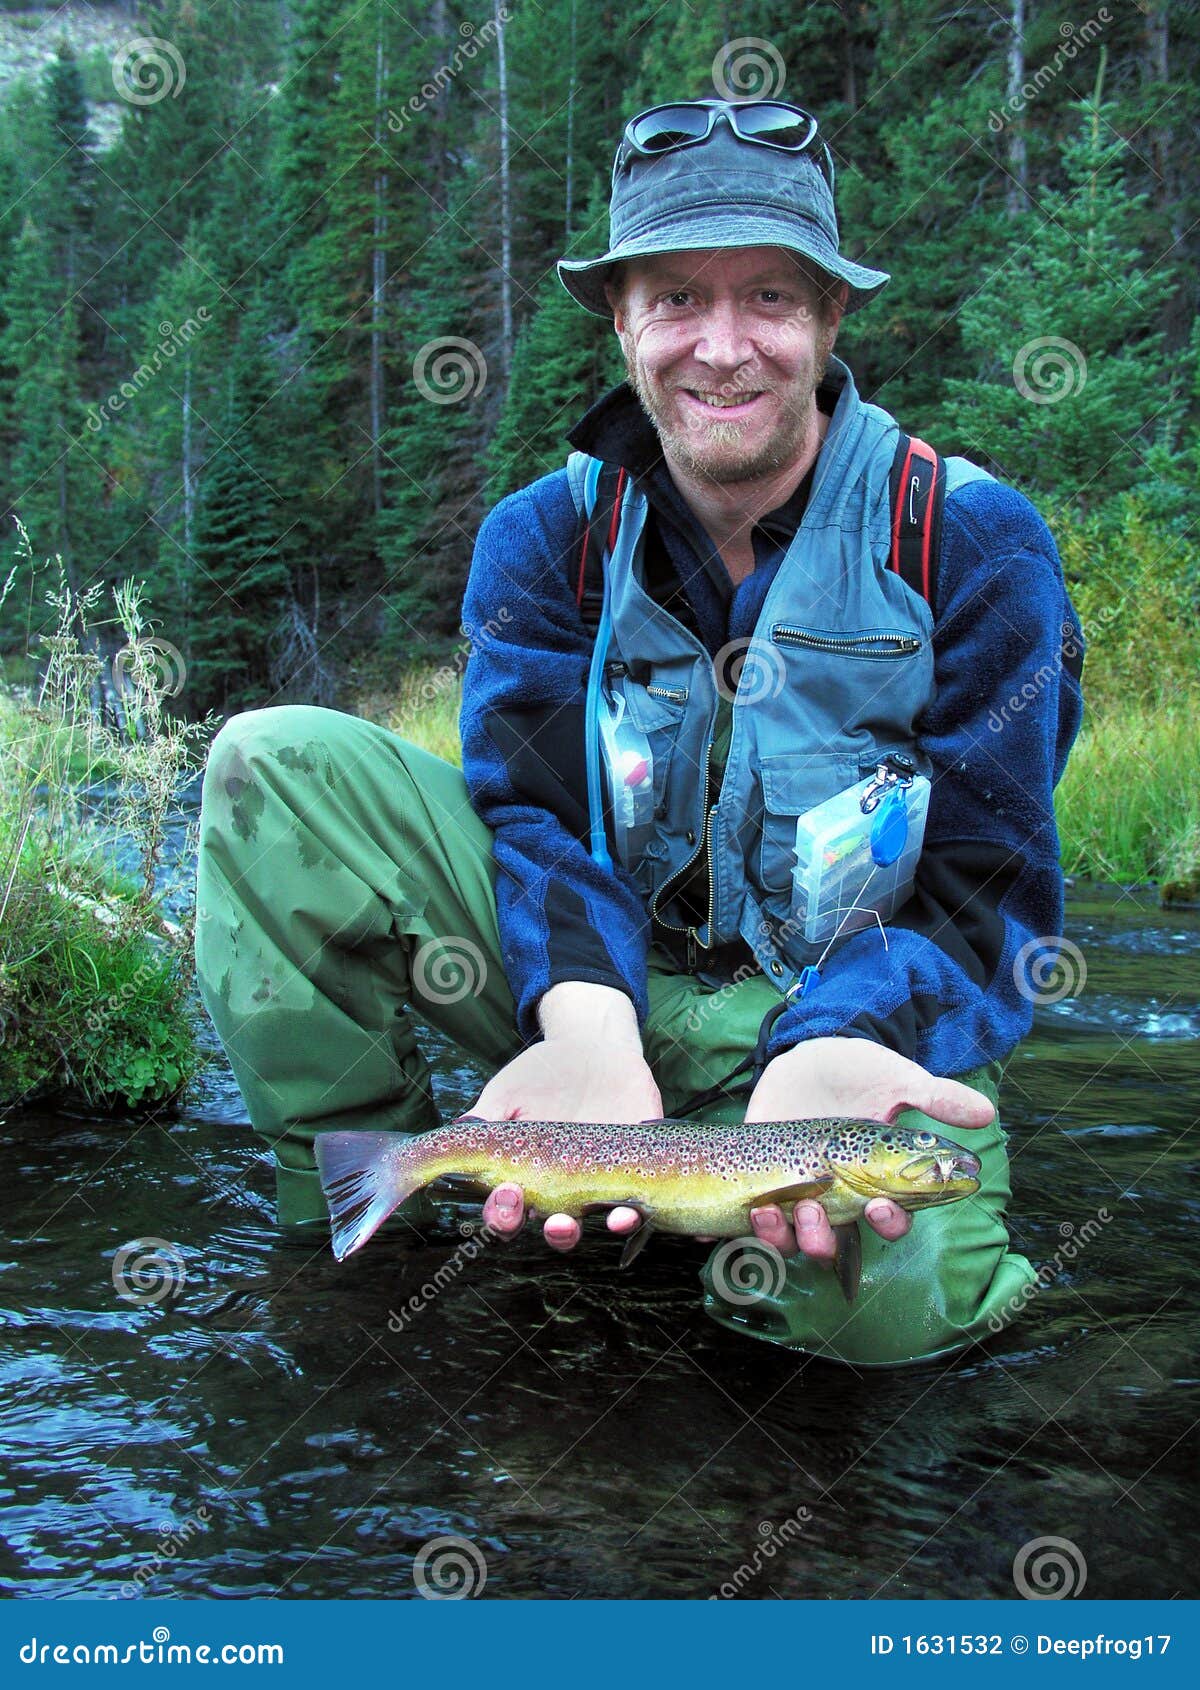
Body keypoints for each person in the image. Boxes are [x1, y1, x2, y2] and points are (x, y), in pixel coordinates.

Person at [195, 97, 1083, 1367]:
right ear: (620, 321)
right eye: (676, 299)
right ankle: (366, 1210)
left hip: (836, 1036)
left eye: (770, 298)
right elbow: (534, 818)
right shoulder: (542, 540)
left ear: (833, 317)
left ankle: (736, 1220)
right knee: (272, 766)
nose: (722, 348)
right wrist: (587, 1026)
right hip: (598, 991)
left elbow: (993, 885)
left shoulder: (973, 543)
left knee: (879, 1326)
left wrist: (848, 1038)